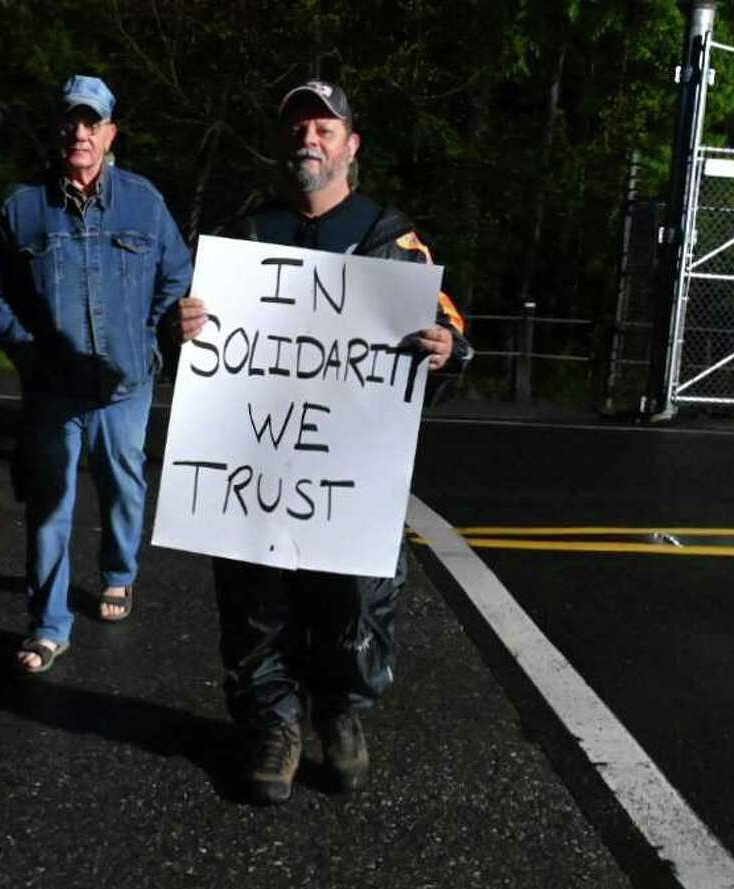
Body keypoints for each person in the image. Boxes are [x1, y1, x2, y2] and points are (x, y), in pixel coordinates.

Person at [175, 79, 472, 804]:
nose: (310, 138)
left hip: (348, 469)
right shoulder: (245, 237)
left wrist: (449, 350)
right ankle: (274, 723)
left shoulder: (391, 238)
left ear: (351, 145)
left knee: (355, 595)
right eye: (299, 126)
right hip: (257, 459)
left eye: (325, 128)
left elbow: (451, 333)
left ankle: (341, 713)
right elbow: (203, 338)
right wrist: (178, 326)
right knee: (255, 596)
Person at [0, 74, 193, 674]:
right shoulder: (24, 207)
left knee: (124, 484)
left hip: (125, 385)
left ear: (110, 133)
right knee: (50, 503)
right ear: (58, 129)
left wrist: (147, 333)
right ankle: (48, 624)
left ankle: (118, 573)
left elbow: (178, 273)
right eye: (71, 121)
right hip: (52, 390)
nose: (80, 132)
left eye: (92, 122)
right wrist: (24, 346)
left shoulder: (144, 201)